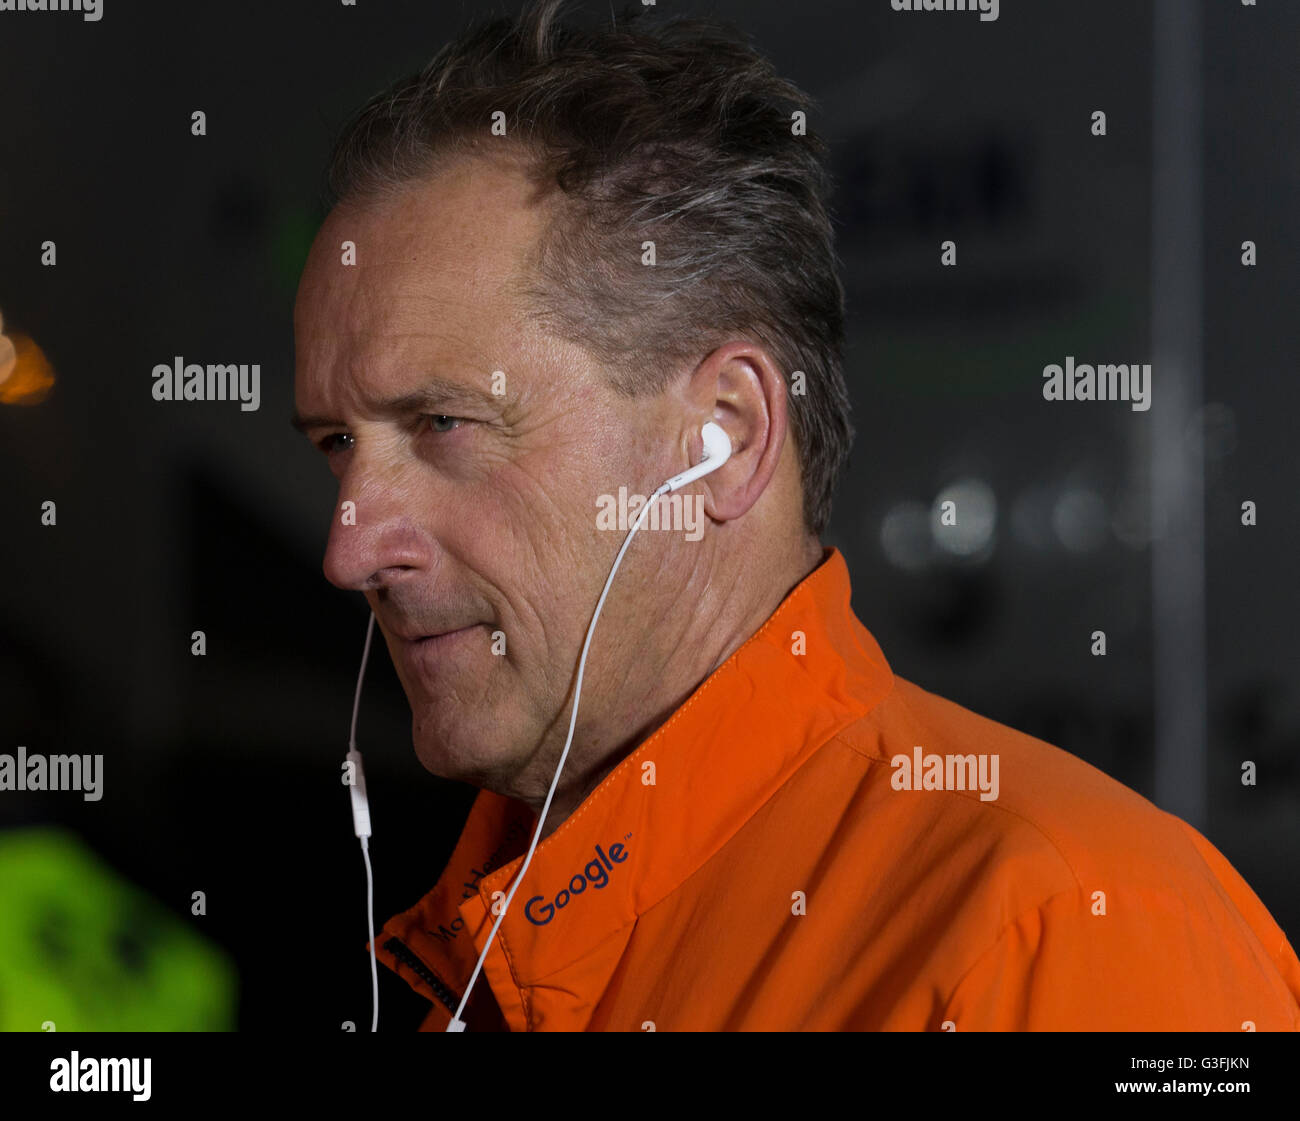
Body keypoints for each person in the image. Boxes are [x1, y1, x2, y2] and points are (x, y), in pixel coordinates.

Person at [290, 0, 1300, 1030]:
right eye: (337, 444)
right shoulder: (494, 942)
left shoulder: (1064, 935)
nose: (349, 546)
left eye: (444, 422)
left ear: (721, 436)